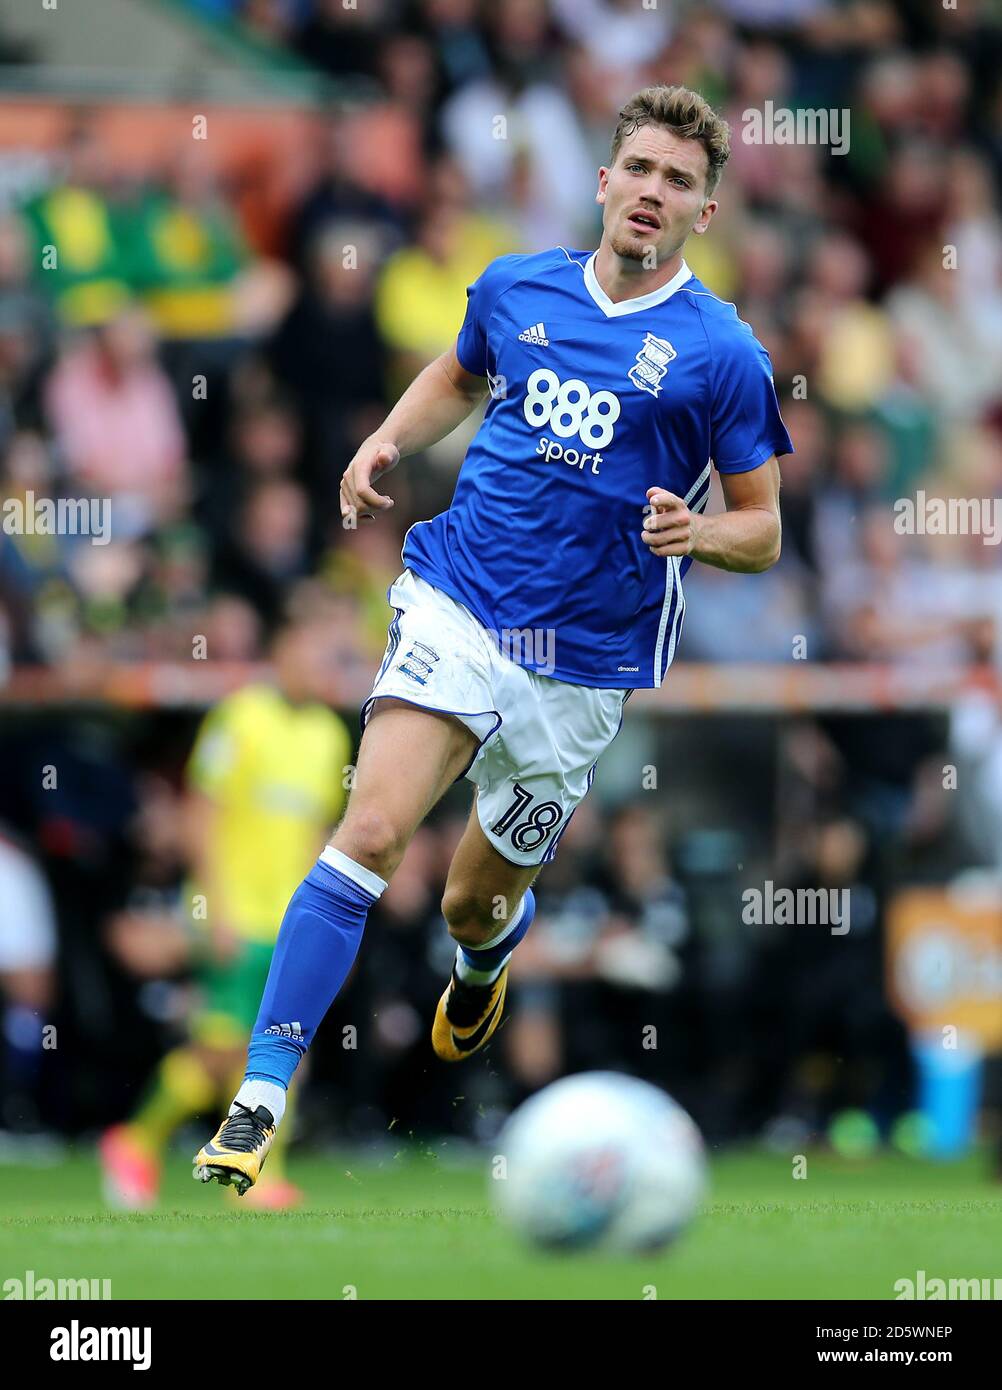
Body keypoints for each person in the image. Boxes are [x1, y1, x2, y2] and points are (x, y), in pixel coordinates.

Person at [193, 83, 793, 1197]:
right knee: (370, 829)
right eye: (642, 170)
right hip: (459, 601)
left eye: (681, 182)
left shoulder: (724, 355)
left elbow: (763, 531)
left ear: (705, 213)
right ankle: (262, 1091)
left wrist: (701, 529)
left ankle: (483, 960)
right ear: (604, 180)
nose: (654, 194)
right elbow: (457, 374)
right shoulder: (518, 286)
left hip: (583, 666)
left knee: (476, 897)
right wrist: (383, 438)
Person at [102, 609, 352, 1208]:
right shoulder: (239, 717)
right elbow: (201, 812)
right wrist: (211, 906)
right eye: (316, 655)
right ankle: (135, 1139)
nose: (323, 670)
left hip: (289, 919)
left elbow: (320, 831)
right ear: (284, 651)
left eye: (333, 660)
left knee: (287, 1045)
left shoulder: (329, 736)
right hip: (234, 913)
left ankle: (255, 1177)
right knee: (220, 1054)